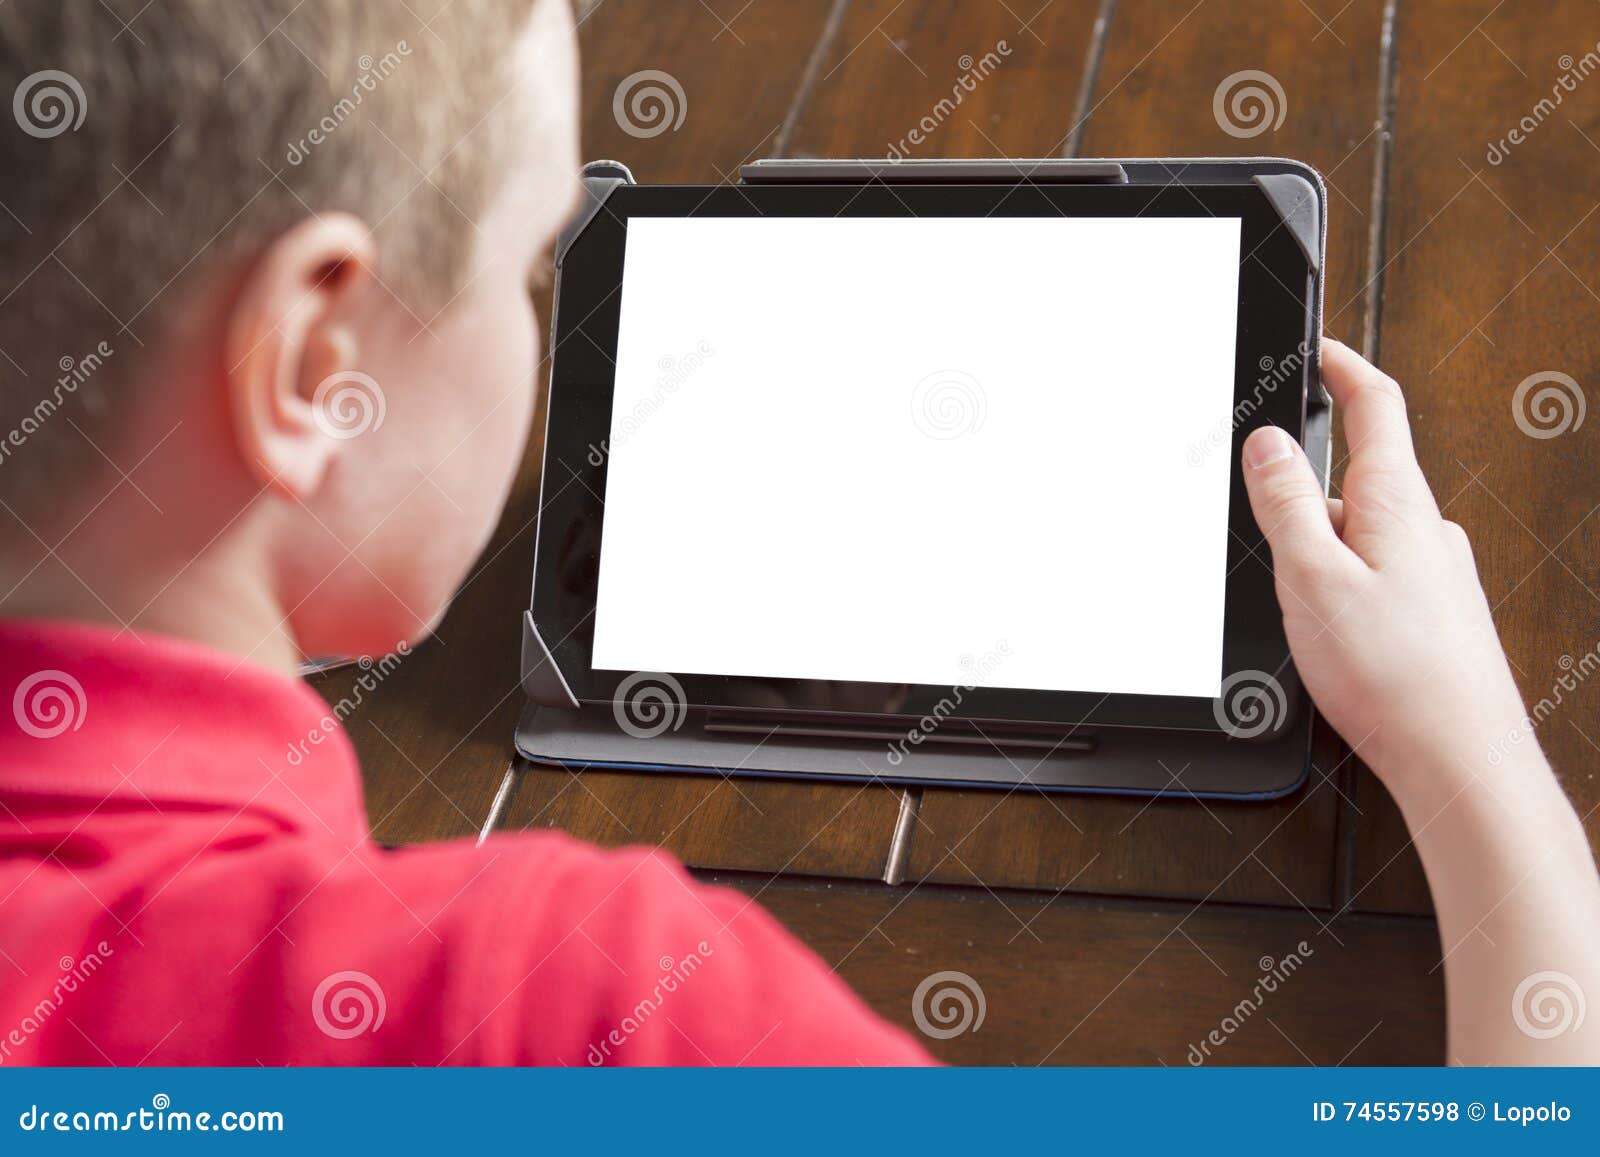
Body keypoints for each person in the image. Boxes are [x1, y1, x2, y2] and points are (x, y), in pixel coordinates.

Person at [0, 0, 1593, 1066]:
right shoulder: (573, 1005)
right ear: (309, 369)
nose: (549, 332)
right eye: (534, 266)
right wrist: (1471, 749)